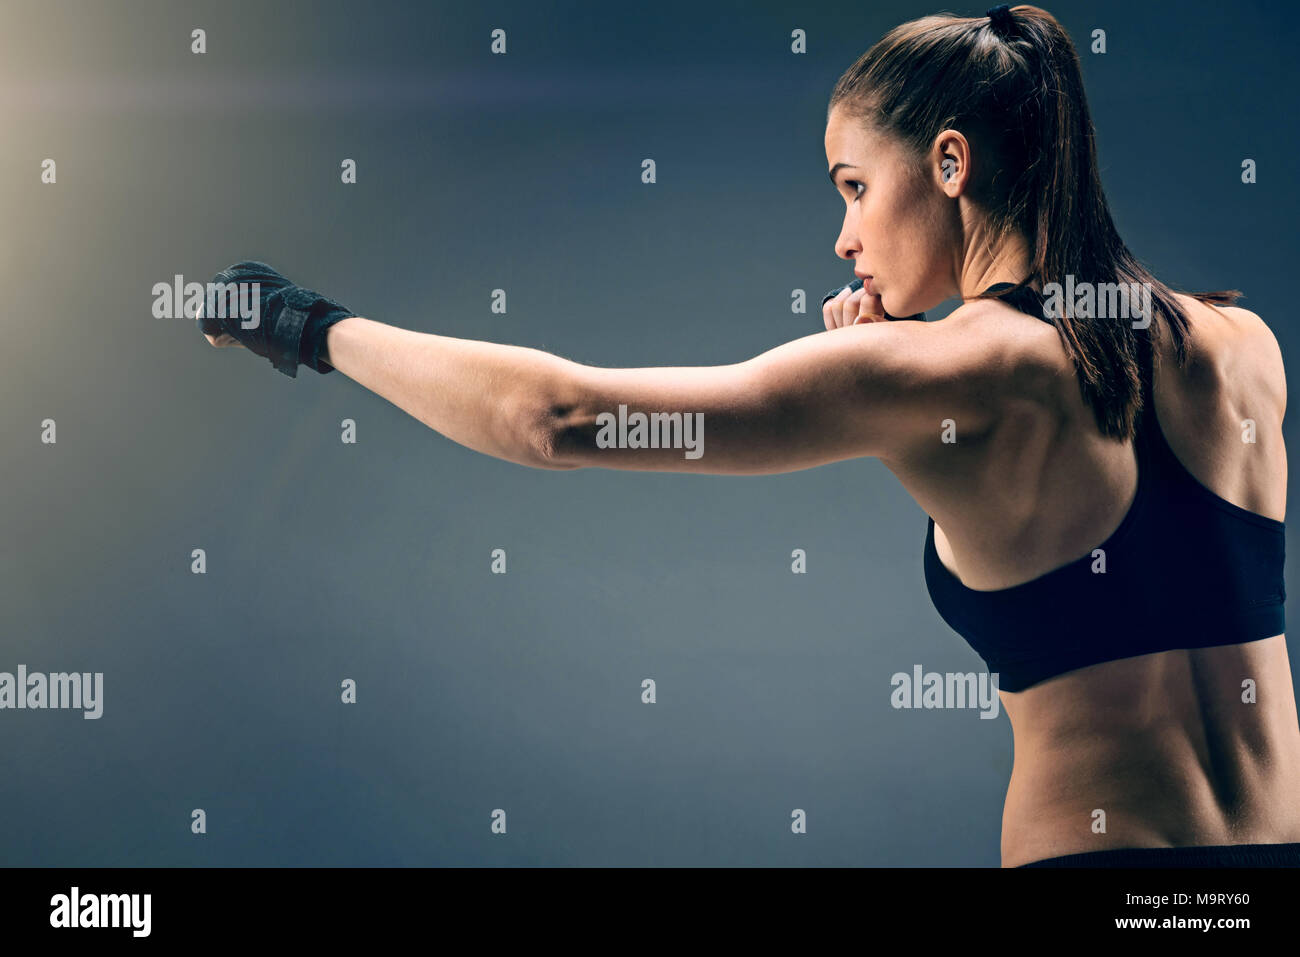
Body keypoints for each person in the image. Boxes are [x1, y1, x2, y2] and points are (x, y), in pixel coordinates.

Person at [197, 4, 1300, 867]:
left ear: (951, 166)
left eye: (856, 187)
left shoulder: (933, 375)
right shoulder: (1243, 346)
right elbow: (1107, 561)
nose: (843, 236)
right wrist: (897, 389)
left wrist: (308, 327)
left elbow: (558, 417)